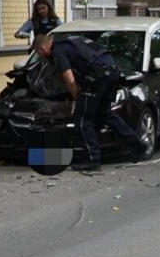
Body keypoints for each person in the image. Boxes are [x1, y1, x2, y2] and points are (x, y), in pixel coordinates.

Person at [31, 33, 145, 172]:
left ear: (42, 48)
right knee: (105, 113)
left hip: (98, 77)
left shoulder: (57, 51)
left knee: (82, 120)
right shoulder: (71, 40)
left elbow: (68, 76)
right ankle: (136, 144)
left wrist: (76, 96)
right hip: (112, 71)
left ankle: (92, 160)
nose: (42, 56)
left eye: (40, 53)